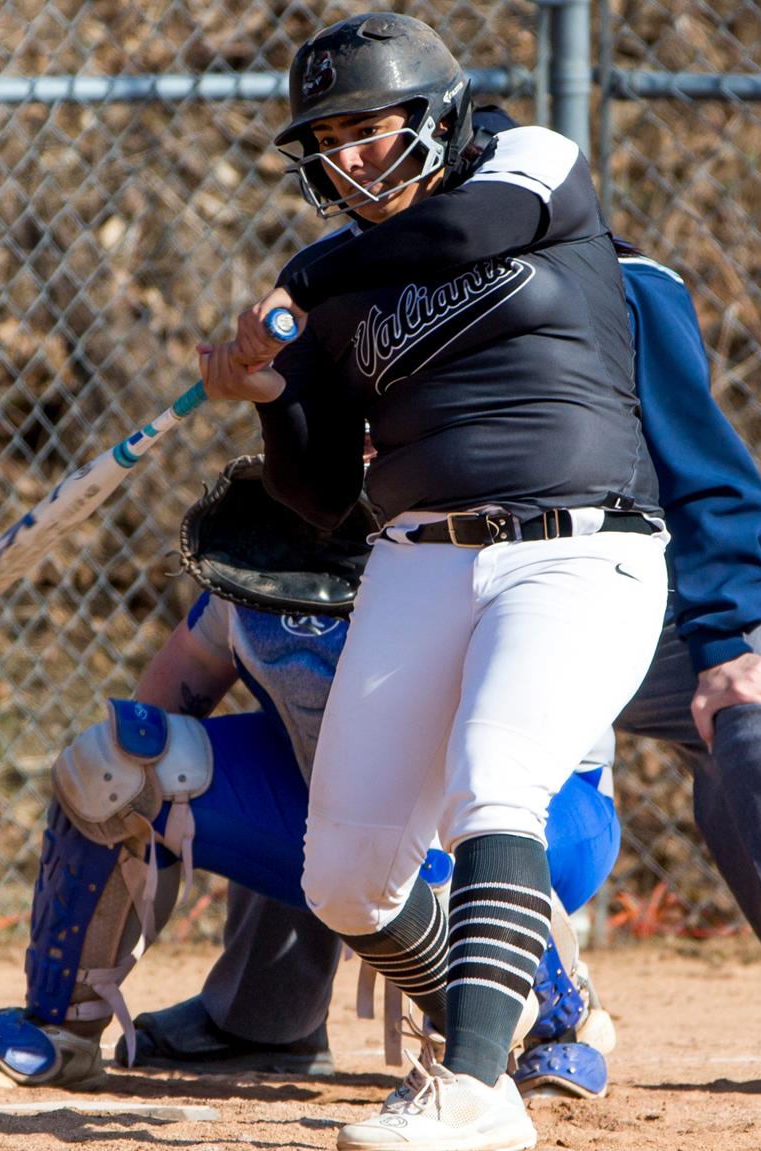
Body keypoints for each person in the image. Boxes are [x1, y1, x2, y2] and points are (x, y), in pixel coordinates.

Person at [127, 246, 761, 1096]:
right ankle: (262, 1014)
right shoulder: (376, 285)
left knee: (749, 720)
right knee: (327, 696)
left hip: (668, 585)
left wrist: (723, 645)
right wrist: (277, 390)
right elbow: (329, 472)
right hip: (472, 585)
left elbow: (707, 475)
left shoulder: (620, 280)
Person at [199, 13, 677, 1149]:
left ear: (437, 115)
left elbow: (467, 228)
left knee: (494, 779)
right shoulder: (340, 292)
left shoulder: (530, 163)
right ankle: (520, 1003)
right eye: (328, 141)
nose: (348, 157)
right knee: (346, 875)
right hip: (418, 558)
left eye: (368, 128)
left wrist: (302, 276)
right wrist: (271, 390)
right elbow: (323, 491)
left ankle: (470, 1087)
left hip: (577, 547)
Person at [0, 457, 621, 1100]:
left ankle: (558, 1013)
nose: (358, 444)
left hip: (546, 812)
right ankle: (66, 1027)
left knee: (429, 827)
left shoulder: (474, 535)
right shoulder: (271, 558)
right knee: (112, 764)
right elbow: (154, 713)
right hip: (352, 808)